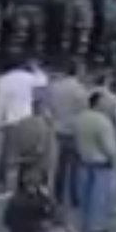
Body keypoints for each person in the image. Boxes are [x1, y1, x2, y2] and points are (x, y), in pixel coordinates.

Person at [0, 60, 49, 190]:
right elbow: (43, 80)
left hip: (11, 120)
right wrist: (36, 68)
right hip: (27, 119)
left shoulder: (3, 80)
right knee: (28, 151)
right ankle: (23, 181)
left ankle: (1, 181)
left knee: (6, 153)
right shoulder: (29, 78)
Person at [72, 93, 116, 232]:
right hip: (100, 162)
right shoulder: (102, 121)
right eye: (107, 103)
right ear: (98, 104)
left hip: (83, 161)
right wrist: (112, 159)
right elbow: (108, 146)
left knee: (85, 196)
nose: (109, 106)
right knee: (99, 197)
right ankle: (96, 226)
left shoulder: (79, 118)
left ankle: (84, 224)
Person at [44, 61, 88, 207]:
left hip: (59, 129)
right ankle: (75, 197)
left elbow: (48, 108)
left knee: (61, 165)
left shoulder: (55, 88)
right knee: (76, 166)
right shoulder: (79, 90)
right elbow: (84, 111)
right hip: (74, 130)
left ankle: (58, 194)